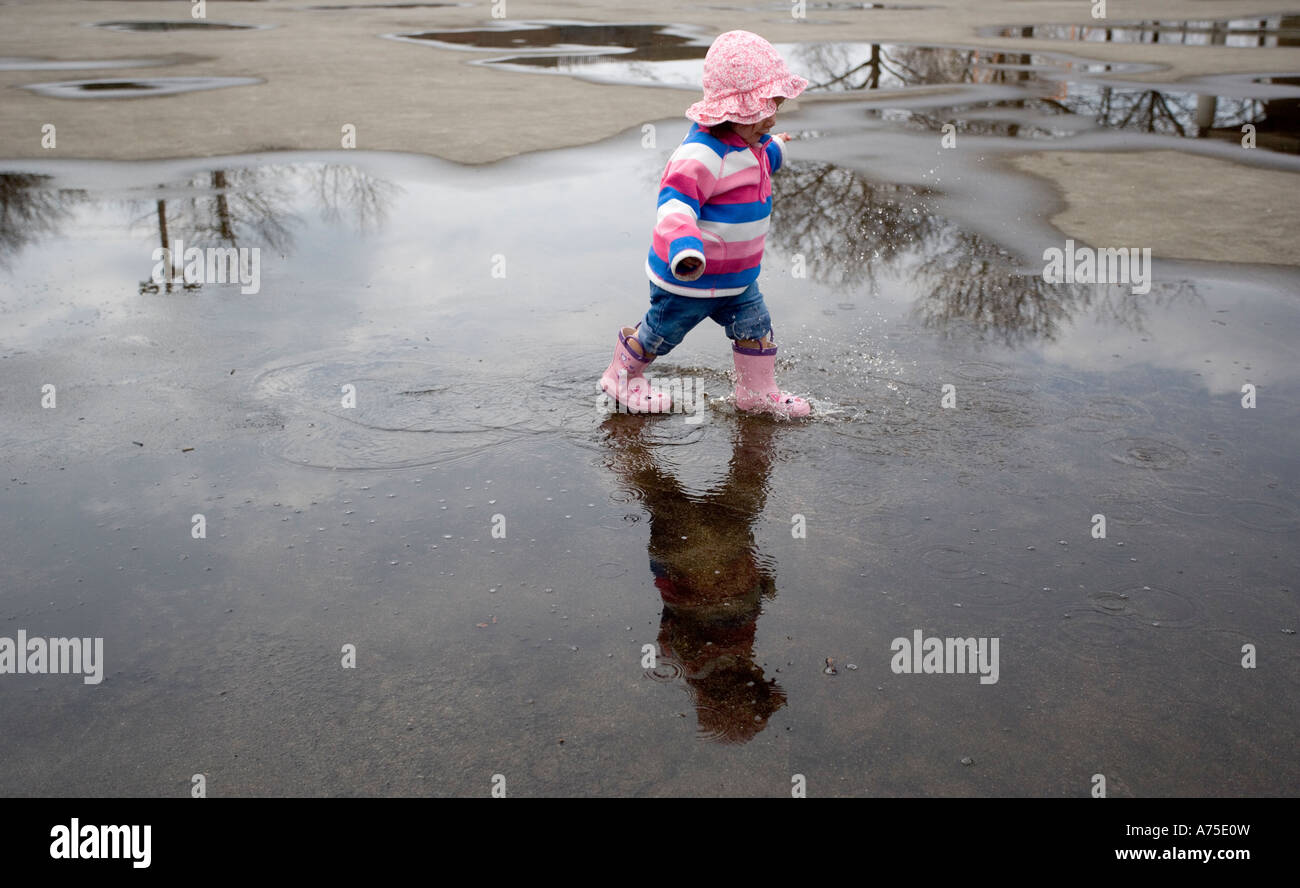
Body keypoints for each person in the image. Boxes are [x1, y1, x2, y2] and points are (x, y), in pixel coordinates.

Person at [598, 30, 812, 418]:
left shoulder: (752, 143)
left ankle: (756, 391)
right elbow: (674, 203)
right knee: (660, 334)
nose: (771, 118)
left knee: (755, 325)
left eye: (775, 107)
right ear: (732, 111)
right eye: (763, 112)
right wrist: (685, 247)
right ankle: (622, 377)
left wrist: (775, 143)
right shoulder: (701, 154)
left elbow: (760, 163)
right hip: (689, 278)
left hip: (737, 280)